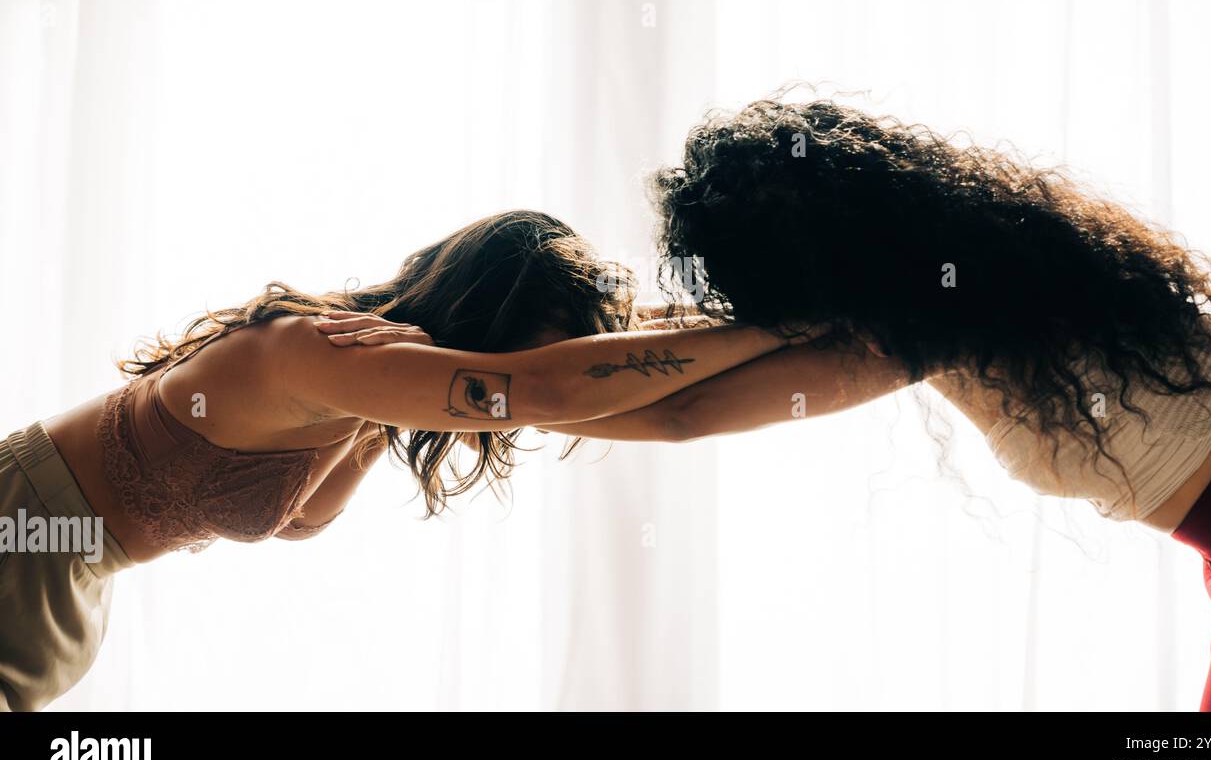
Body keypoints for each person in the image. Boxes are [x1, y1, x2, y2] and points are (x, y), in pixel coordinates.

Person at [534, 97, 1211, 711]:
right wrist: (509, 393)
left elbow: (682, 411)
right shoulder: (994, 255)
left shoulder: (931, 322)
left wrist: (506, 402)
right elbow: (684, 374)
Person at [0, 209, 802, 711]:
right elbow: (554, 393)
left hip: (71, 569)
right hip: (22, 527)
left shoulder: (374, 386)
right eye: (526, 357)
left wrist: (796, 329)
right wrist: (784, 328)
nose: (521, 391)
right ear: (485, 320)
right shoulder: (322, 349)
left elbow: (301, 520)